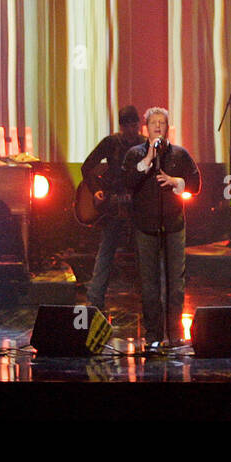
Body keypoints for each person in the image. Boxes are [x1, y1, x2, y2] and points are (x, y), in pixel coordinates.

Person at [124, 107, 201, 347]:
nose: (158, 126)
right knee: (149, 285)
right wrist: (147, 159)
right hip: (145, 226)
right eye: (154, 123)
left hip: (174, 225)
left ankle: (176, 335)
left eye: (162, 123)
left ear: (167, 128)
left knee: (175, 285)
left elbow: (196, 184)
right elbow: (127, 182)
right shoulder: (134, 154)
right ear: (146, 128)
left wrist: (177, 181)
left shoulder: (179, 154)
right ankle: (154, 335)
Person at [82, 105, 143, 313]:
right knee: (107, 249)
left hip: (136, 206)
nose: (131, 130)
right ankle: (95, 297)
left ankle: (152, 295)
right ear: (122, 126)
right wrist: (97, 190)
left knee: (145, 250)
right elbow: (87, 166)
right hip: (113, 204)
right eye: (127, 126)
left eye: (134, 125)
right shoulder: (111, 143)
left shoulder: (146, 145)